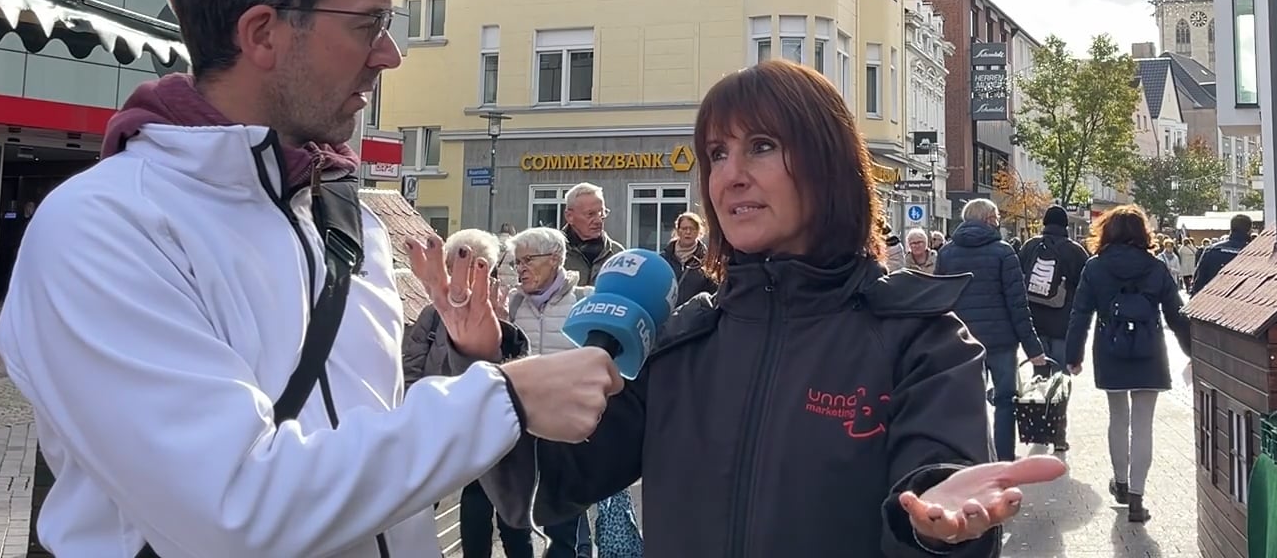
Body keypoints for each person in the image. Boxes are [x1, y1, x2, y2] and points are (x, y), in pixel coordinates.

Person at [0, 0, 619, 558]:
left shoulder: (344, 219)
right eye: (368, 24)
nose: (391, 54)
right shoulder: (104, 229)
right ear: (263, 33)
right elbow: (233, 511)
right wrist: (503, 400)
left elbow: (362, 439)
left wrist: (469, 362)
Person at [444, 60, 1066, 555]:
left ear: (827, 165)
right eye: (716, 154)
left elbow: (936, 486)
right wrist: (488, 371)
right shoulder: (680, 341)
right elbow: (552, 486)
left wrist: (935, 528)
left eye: (762, 146)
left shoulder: (922, 342)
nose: (731, 175)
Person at [401, 230, 533, 558]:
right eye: (453, 264)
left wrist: (498, 331)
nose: (460, 275)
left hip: (484, 424)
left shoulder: (502, 311)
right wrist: (415, 412)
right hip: (437, 422)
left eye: (476, 267)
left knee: (496, 508)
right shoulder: (431, 315)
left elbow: (517, 370)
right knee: (418, 507)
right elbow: (412, 365)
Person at [1063, 204, 1192, 525]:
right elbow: (1176, 315)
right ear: (1142, 232)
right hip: (1150, 350)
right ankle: (1137, 497)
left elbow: (1080, 314)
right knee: (1144, 425)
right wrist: (1191, 351)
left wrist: (1072, 355)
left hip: (1111, 348)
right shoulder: (1157, 267)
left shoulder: (1095, 268)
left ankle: (1120, 483)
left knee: (1118, 417)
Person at [501, 227, 597, 558]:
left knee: (562, 524)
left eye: (528, 260)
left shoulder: (584, 300)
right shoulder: (513, 304)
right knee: (513, 519)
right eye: (516, 263)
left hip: (565, 427)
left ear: (555, 260)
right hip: (520, 426)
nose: (521, 269)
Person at [936, 199, 1048, 462]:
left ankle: (972, 458)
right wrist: (1034, 349)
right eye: (996, 216)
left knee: (968, 402)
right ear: (989, 219)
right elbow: (1018, 305)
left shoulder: (947, 253)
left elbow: (941, 299)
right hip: (1001, 343)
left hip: (961, 341)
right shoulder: (1003, 252)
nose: (998, 221)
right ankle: (1004, 459)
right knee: (1006, 400)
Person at [1017, 205, 1088, 455]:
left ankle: (1039, 429)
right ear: (1066, 225)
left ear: (1044, 223)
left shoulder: (1029, 247)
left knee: (1039, 377)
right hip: (1062, 324)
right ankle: (1059, 433)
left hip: (1034, 323)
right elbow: (1084, 291)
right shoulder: (1076, 251)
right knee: (1061, 380)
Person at [561, 182, 625, 280]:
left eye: (602, 213)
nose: (598, 220)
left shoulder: (618, 255)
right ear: (569, 216)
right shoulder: (551, 253)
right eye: (590, 214)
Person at [660, 211, 719, 305]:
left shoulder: (707, 261)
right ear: (678, 230)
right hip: (667, 315)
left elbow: (714, 294)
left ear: (699, 232)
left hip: (694, 316)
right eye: (684, 228)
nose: (688, 232)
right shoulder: (663, 259)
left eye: (692, 229)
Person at [1190, 213, 1254, 296]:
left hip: (1212, 300)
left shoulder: (1212, 250)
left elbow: (1198, 282)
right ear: (1249, 230)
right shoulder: (1253, 253)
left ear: (1231, 228)